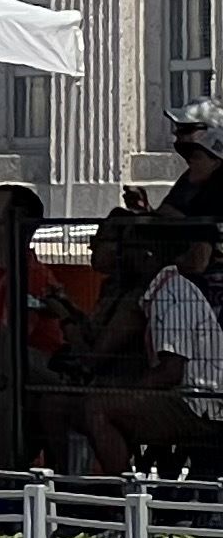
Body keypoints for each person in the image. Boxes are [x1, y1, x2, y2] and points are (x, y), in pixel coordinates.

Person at [86, 220, 223, 475]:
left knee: (99, 407)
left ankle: (121, 495)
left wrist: (131, 392)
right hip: (191, 398)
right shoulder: (160, 292)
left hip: (200, 405)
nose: (123, 255)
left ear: (147, 255)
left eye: (130, 248)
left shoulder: (172, 294)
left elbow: (171, 370)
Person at [168, 104, 223, 228]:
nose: (190, 160)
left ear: (215, 162)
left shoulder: (218, 186)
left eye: (196, 155)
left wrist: (207, 239)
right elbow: (168, 212)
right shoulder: (189, 180)